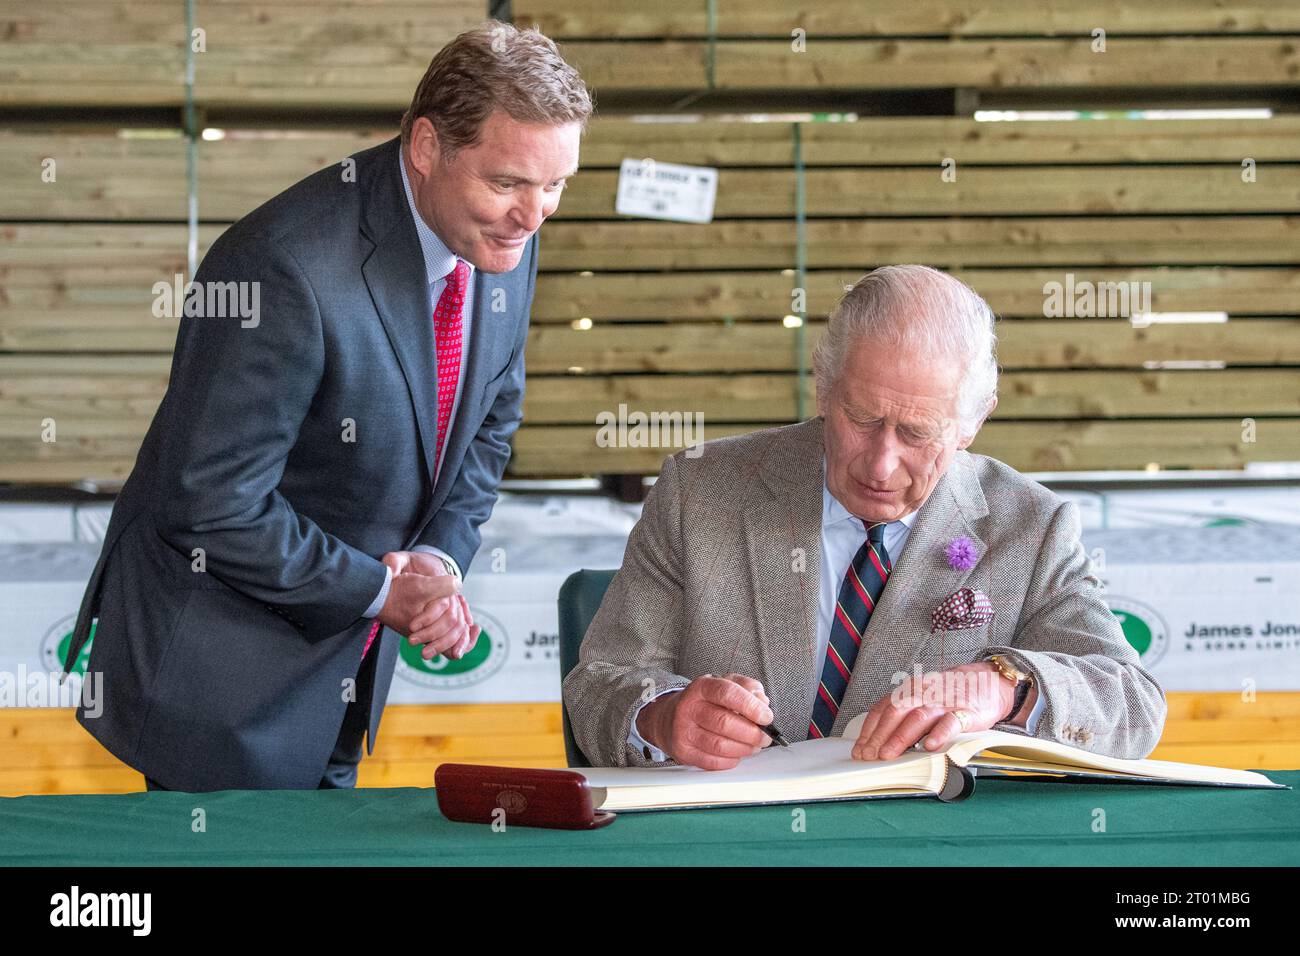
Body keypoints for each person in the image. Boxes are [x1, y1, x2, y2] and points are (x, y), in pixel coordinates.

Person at [63, 22, 592, 791]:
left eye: (557, 185)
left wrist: (438, 562)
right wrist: (384, 592)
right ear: (425, 147)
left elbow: (487, 425)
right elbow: (209, 504)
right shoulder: (281, 265)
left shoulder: (504, 228)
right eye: (508, 182)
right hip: (223, 682)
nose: (535, 213)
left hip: (350, 666)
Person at [564, 264, 1166, 769]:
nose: (881, 464)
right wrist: (664, 717)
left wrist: (1007, 687)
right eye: (860, 417)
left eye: (916, 432)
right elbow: (600, 684)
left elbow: (1133, 705)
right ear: (824, 386)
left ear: (973, 421)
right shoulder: (699, 492)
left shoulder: (1031, 526)